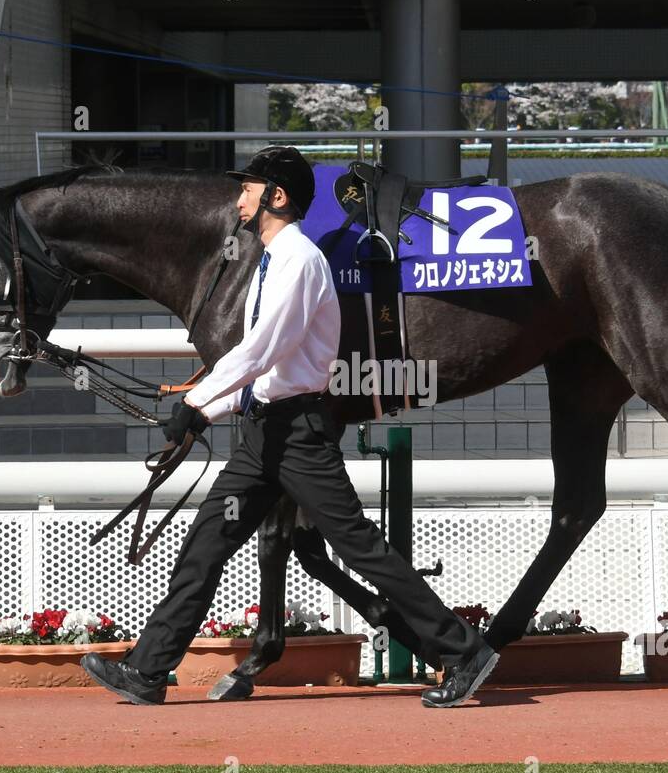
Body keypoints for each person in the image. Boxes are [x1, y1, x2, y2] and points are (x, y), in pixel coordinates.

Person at [81, 145, 499, 707]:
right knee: (207, 542)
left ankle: (463, 651)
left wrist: (199, 404)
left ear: (276, 197)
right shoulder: (270, 261)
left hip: (299, 434)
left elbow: (263, 348)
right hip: (263, 435)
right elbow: (268, 369)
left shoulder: (299, 259)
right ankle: (148, 670)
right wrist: (205, 409)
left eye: (248, 187)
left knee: (360, 547)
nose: (240, 197)